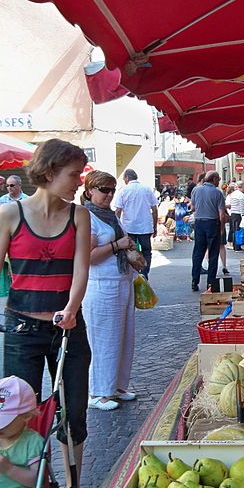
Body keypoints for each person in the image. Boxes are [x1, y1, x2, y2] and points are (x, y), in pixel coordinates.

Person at [0, 138, 91, 488]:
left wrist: (71, 308)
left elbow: (80, 269)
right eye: (74, 174)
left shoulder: (78, 216)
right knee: (17, 412)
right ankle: (26, 486)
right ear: (50, 171)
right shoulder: (10, 215)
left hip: (67, 328)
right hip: (22, 329)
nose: (78, 182)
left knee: (73, 410)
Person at [82, 171, 137, 411]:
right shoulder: (88, 217)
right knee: (104, 340)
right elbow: (89, 256)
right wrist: (118, 245)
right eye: (105, 190)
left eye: (113, 190)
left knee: (124, 338)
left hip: (121, 281)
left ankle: (116, 386)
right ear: (90, 190)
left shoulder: (111, 216)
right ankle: (99, 392)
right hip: (101, 284)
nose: (110, 194)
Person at [0, 377, 45, 488]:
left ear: (26, 417)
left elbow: (38, 481)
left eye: (3, 421)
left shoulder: (32, 442)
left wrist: (9, 469)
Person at [113, 169, 158, 280]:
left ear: (127, 177)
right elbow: (154, 209)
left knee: (130, 250)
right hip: (145, 227)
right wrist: (155, 226)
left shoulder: (123, 191)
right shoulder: (147, 189)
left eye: (124, 178)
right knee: (147, 251)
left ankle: (133, 274)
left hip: (129, 227)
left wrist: (116, 227)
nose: (124, 180)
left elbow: (118, 210)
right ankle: (144, 273)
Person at [190, 171, 226, 291]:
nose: (219, 181)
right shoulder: (217, 193)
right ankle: (210, 282)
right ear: (214, 179)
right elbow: (222, 214)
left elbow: (193, 207)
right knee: (213, 254)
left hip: (199, 223)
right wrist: (221, 229)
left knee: (198, 253)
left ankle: (194, 281)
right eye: (218, 179)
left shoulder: (196, 190)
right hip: (212, 224)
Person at [226, 181, 244, 251]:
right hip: (238, 214)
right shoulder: (242, 196)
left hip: (233, 213)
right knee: (238, 230)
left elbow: (232, 205)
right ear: (242, 187)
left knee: (234, 230)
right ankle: (238, 245)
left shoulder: (233, 194)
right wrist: (243, 216)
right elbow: (242, 207)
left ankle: (235, 245)